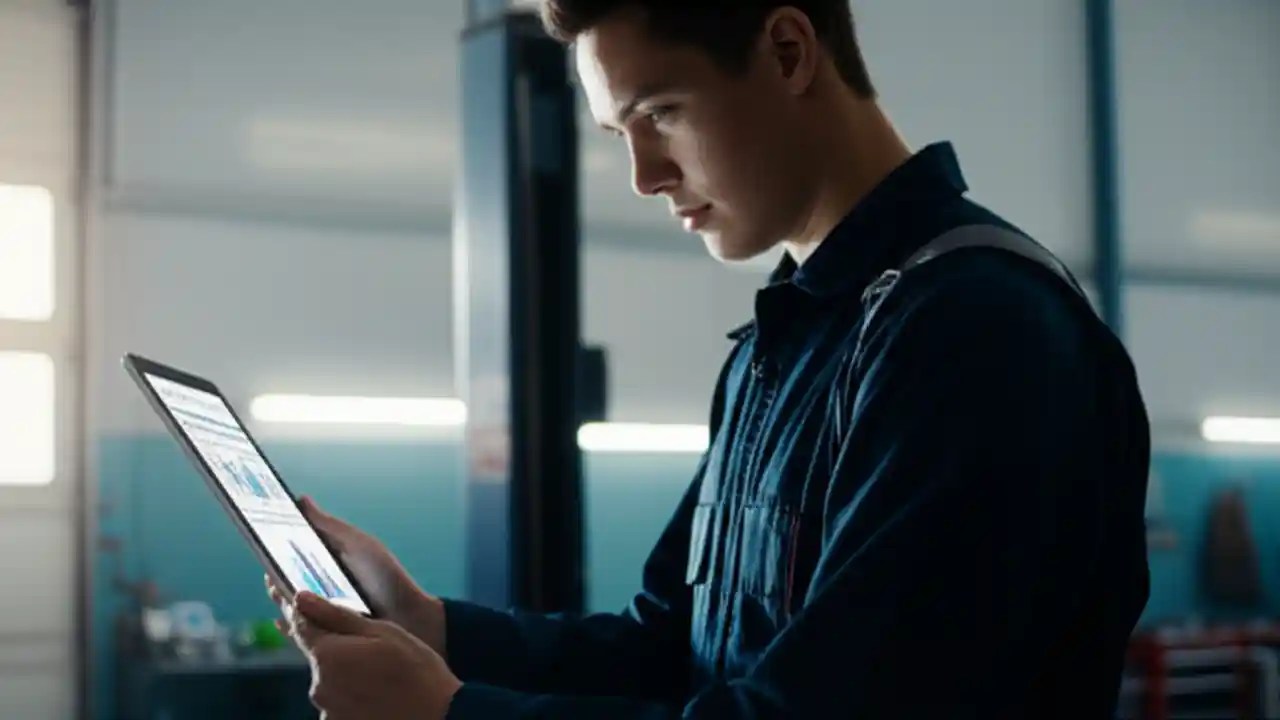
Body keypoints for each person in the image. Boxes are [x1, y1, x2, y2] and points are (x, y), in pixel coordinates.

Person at [269, 0, 1153, 717]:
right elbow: (670, 652)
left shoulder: (975, 330)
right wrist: (431, 627)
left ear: (788, 51)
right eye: (620, 132)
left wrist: (451, 715)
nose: (643, 176)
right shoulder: (784, 345)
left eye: (660, 112)